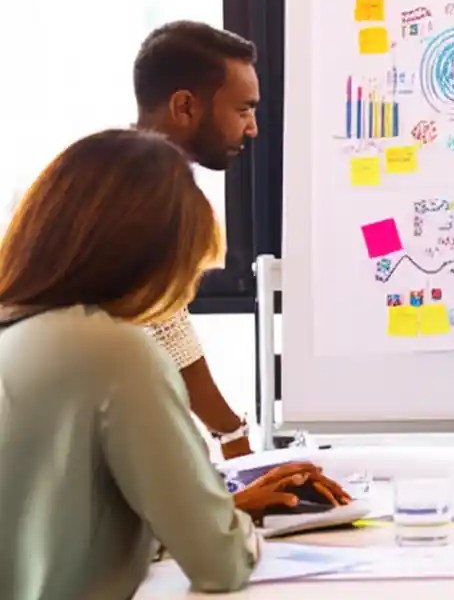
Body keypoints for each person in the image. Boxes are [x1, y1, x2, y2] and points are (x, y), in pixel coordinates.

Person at [0, 129, 349, 600]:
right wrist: (227, 521)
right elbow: (219, 563)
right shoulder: (113, 350)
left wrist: (218, 507)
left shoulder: (19, 333)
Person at [133, 20, 260, 459]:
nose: (252, 128)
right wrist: (234, 441)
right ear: (185, 107)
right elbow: (162, 323)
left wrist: (229, 434)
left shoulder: (118, 170)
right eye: (243, 110)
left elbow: (165, 320)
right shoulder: (147, 187)